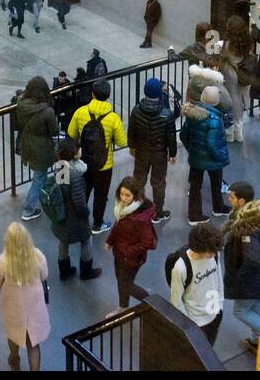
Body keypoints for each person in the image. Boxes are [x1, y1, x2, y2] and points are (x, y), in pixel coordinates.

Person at [223, 181, 260, 350]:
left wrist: (238, 278)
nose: (229, 199)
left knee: (240, 311)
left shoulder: (246, 228)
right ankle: (257, 340)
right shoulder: (257, 215)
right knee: (254, 303)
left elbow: (252, 259)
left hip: (252, 276)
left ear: (242, 201)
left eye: (232, 197)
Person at [67, 78, 127, 233]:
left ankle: (80, 221)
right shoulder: (113, 118)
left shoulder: (81, 112)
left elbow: (71, 133)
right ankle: (97, 224)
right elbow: (122, 141)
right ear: (108, 96)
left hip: (83, 161)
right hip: (104, 164)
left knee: (83, 192)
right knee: (101, 195)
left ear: (92, 94)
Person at [0, 222, 51, 371]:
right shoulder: (37, 256)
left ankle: (14, 358)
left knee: (13, 334)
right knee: (33, 344)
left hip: (13, 308)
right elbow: (44, 275)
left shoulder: (1, 262)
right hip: (34, 308)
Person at [47, 138, 103, 281]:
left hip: (62, 213)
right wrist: (86, 213)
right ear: (73, 154)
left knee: (64, 240)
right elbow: (79, 202)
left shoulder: (60, 167)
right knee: (86, 239)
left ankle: (64, 270)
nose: (81, 150)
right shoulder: (76, 176)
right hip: (75, 216)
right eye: (78, 149)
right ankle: (86, 271)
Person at [128, 77, 178, 224]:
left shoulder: (136, 110)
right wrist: (173, 153)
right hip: (159, 154)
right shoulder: (166, 113)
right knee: (158, 182)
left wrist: (132, 146)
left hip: (141, 152)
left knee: (138, 180)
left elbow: (131, 131)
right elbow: (171, 136)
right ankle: (158, 212)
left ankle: (136, 208)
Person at [169, 221, 225, 346]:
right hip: (196, 322)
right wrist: (188, 325)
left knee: (210, 347)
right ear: (201, 248)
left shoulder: (215, 255)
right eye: (211, 251)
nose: (214, 254)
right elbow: (176, 301)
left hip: (215, 314)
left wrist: (220, 305)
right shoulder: (181, 267)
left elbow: (219, 279)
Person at [182, 82, 231, 223]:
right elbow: (211, 143)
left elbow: (183, 135)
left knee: (195, 186)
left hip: (196, 158)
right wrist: (221, 156)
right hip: (213, 159)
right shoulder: (215, 120)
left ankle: (194, 215)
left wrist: (192, 149)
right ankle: (218, 207)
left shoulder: (192, 114)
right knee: (216, 183)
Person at [106, 176, 157, 309]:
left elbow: (147, 242)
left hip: (131, 258)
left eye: (127, 195)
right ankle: (124, 307)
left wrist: (127, 251)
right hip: (119, 253)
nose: (123, 198)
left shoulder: (140, 219)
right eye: (121, 194)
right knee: (122, 281)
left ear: (135, 196)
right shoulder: (123, 209)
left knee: (126, 284)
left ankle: (151, 304)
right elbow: (118, 226)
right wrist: (109, 240)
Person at [14, 76, 58, 221]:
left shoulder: (21, 105)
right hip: (42, 148)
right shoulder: (47, 111)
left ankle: (41, 195)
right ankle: (28, 208)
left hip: (27, 144)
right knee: (39, 178)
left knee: (40, 175)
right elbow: (54, 131)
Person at [222, 15, 254, 142]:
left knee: (229, 102)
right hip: (245, 74)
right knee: (240, 102)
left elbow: (224, 56)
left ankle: (229, 133)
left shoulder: (228, 44)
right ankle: (239, 132)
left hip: (230, 74)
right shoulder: (249, 42)